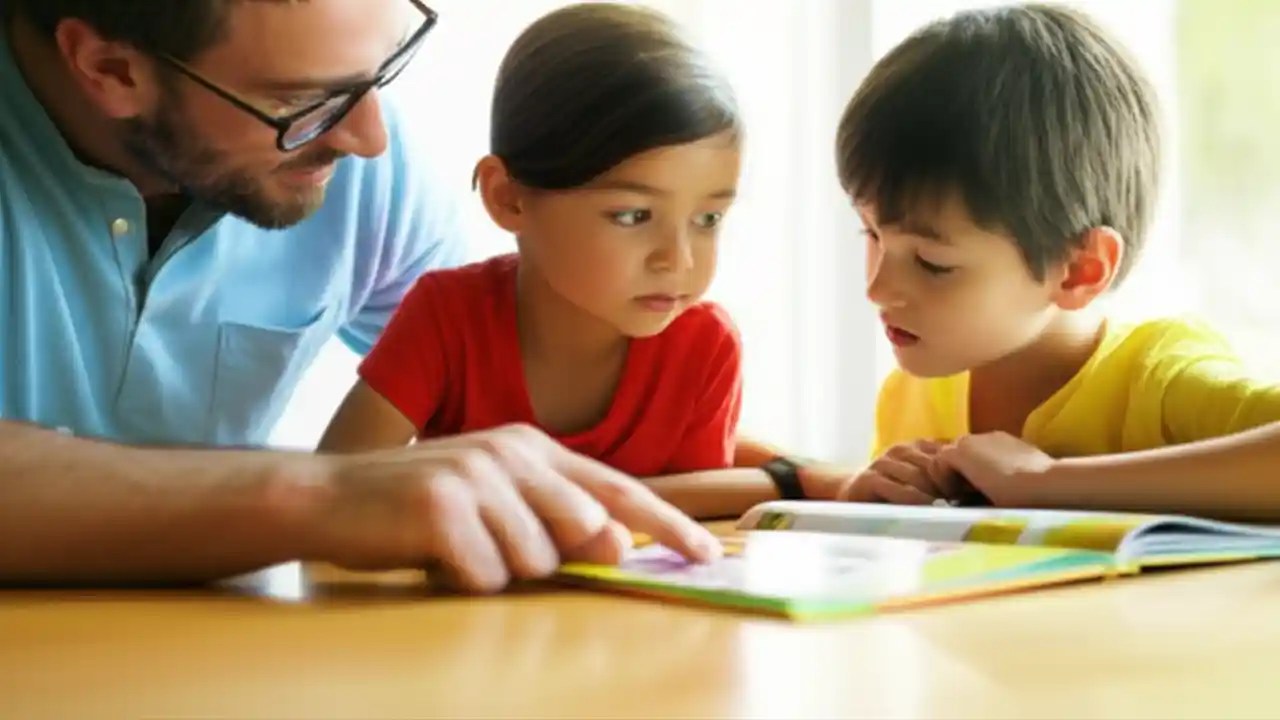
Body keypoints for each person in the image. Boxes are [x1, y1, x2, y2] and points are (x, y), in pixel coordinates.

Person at [0, 0, 719, 592]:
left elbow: (492, 411)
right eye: (303, 102)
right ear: (111, 69)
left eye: (380, 74)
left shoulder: (357, 168)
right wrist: (315, 497)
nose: (370, 138)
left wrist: (783, 473)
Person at [320, 3, 858, 520]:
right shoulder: (447, 317)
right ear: (509, 198)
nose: (679, 259)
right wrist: (783, 481)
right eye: (632, 215)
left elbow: (684, 523)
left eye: (709, 219)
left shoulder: (703, 344)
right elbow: (332, 488)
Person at [829, 4, 1280, 506]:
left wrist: (1045, 483)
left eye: (933, 264)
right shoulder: (910, 399)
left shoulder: (1157, 383)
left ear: (1079, 270)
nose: (876, 288)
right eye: (870, 235)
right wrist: (863, 497)